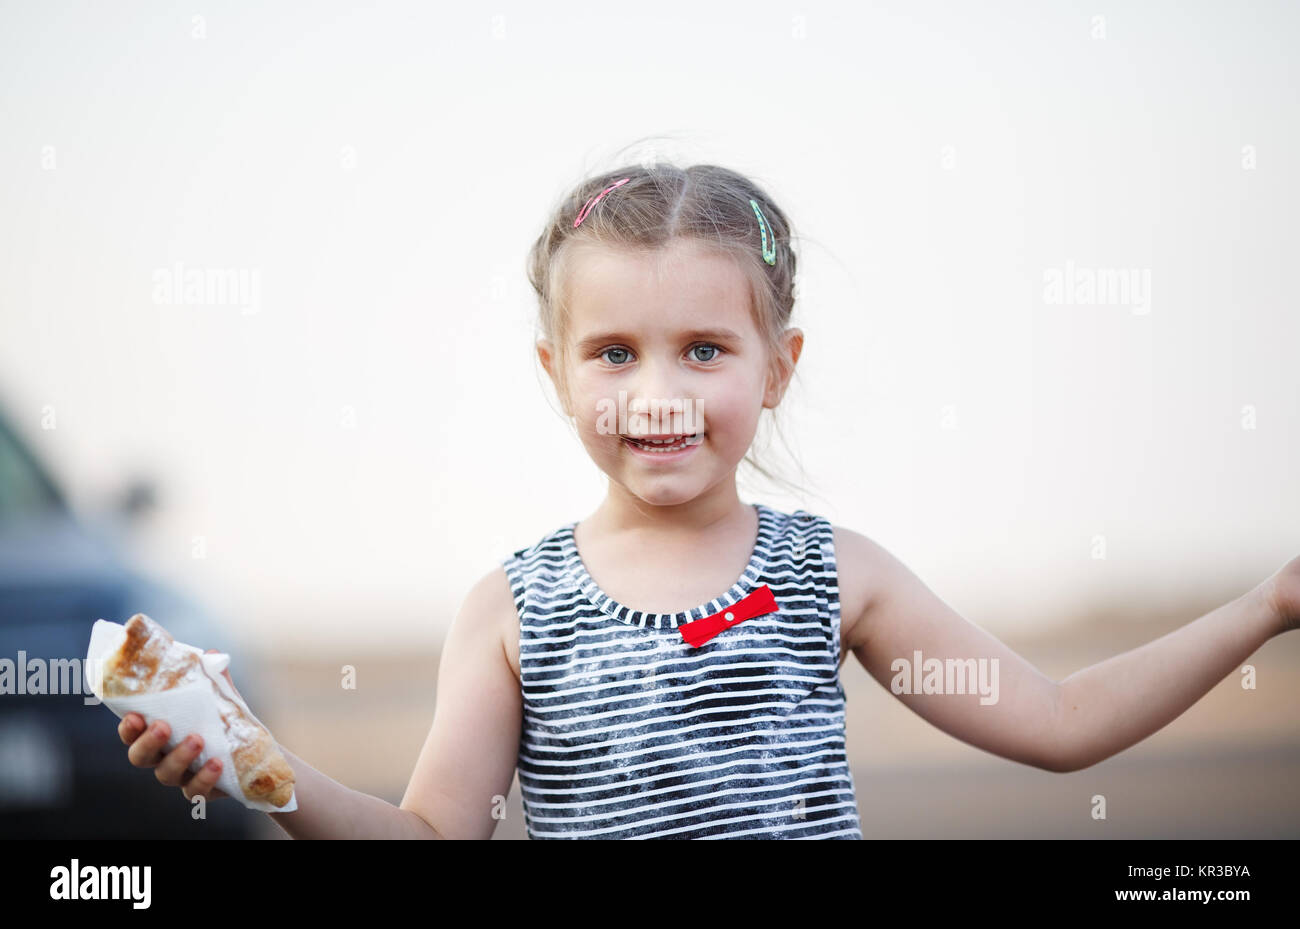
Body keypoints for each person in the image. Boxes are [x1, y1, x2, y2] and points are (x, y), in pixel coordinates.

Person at [117, 162, 1300, 839]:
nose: (657, 396)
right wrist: (258, 763)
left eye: (703, 349)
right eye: (614, 353)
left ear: (778, 365)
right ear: (554, 370)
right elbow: (432, 837)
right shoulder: (510, 609)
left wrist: (1265, 604)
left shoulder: (838, 573)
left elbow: (1057, 720)